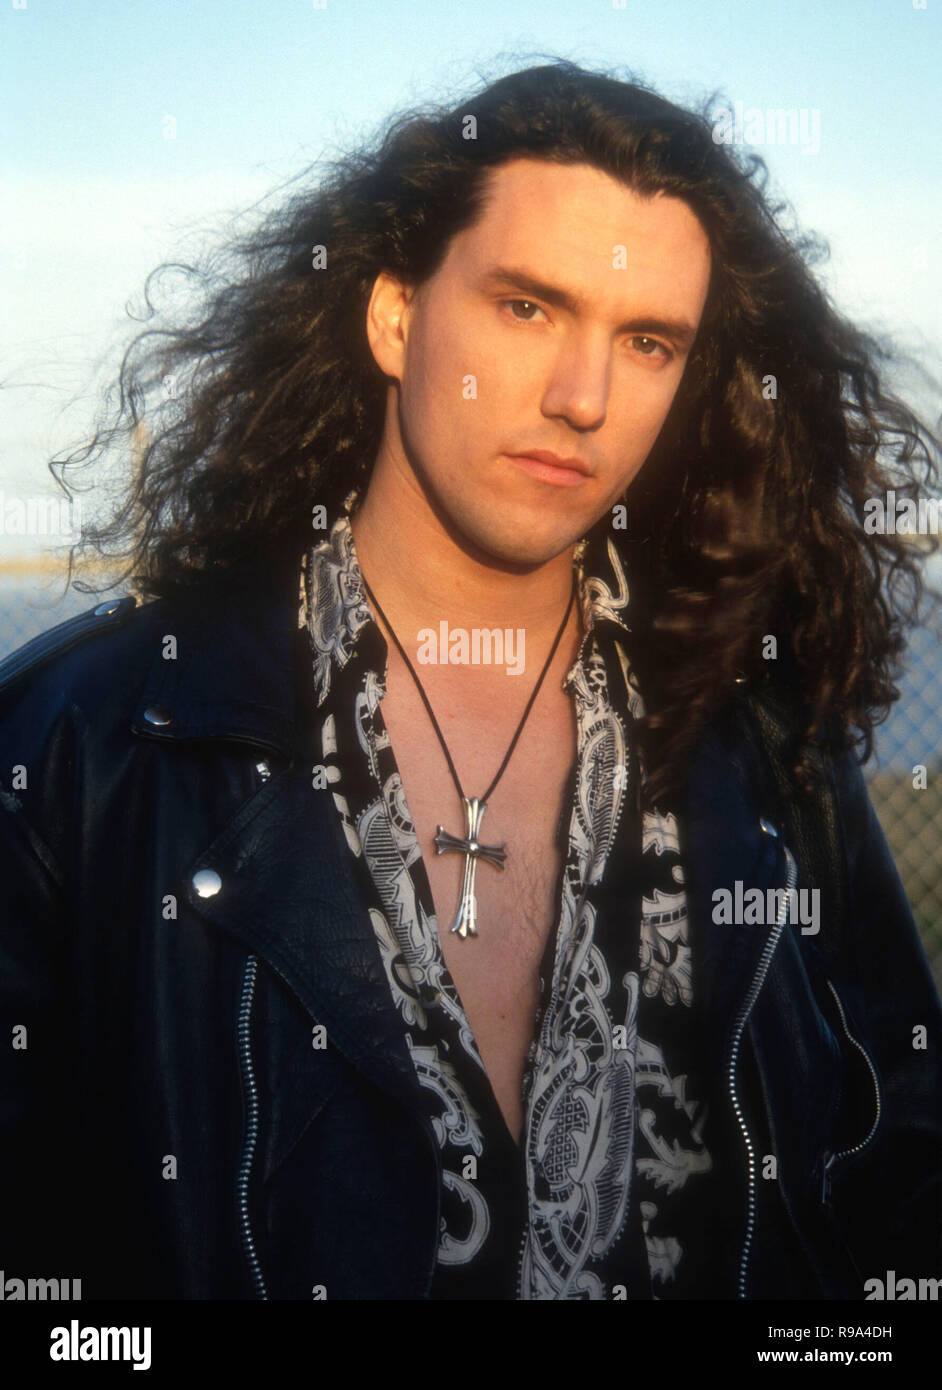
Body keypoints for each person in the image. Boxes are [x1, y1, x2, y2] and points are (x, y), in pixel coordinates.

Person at [0, 60, 939, 1302]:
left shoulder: (760, 751)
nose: (583, 398)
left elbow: (897, 1185)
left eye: (647, 340)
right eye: (528, 307)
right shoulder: (95, 742)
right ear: (394, 316)